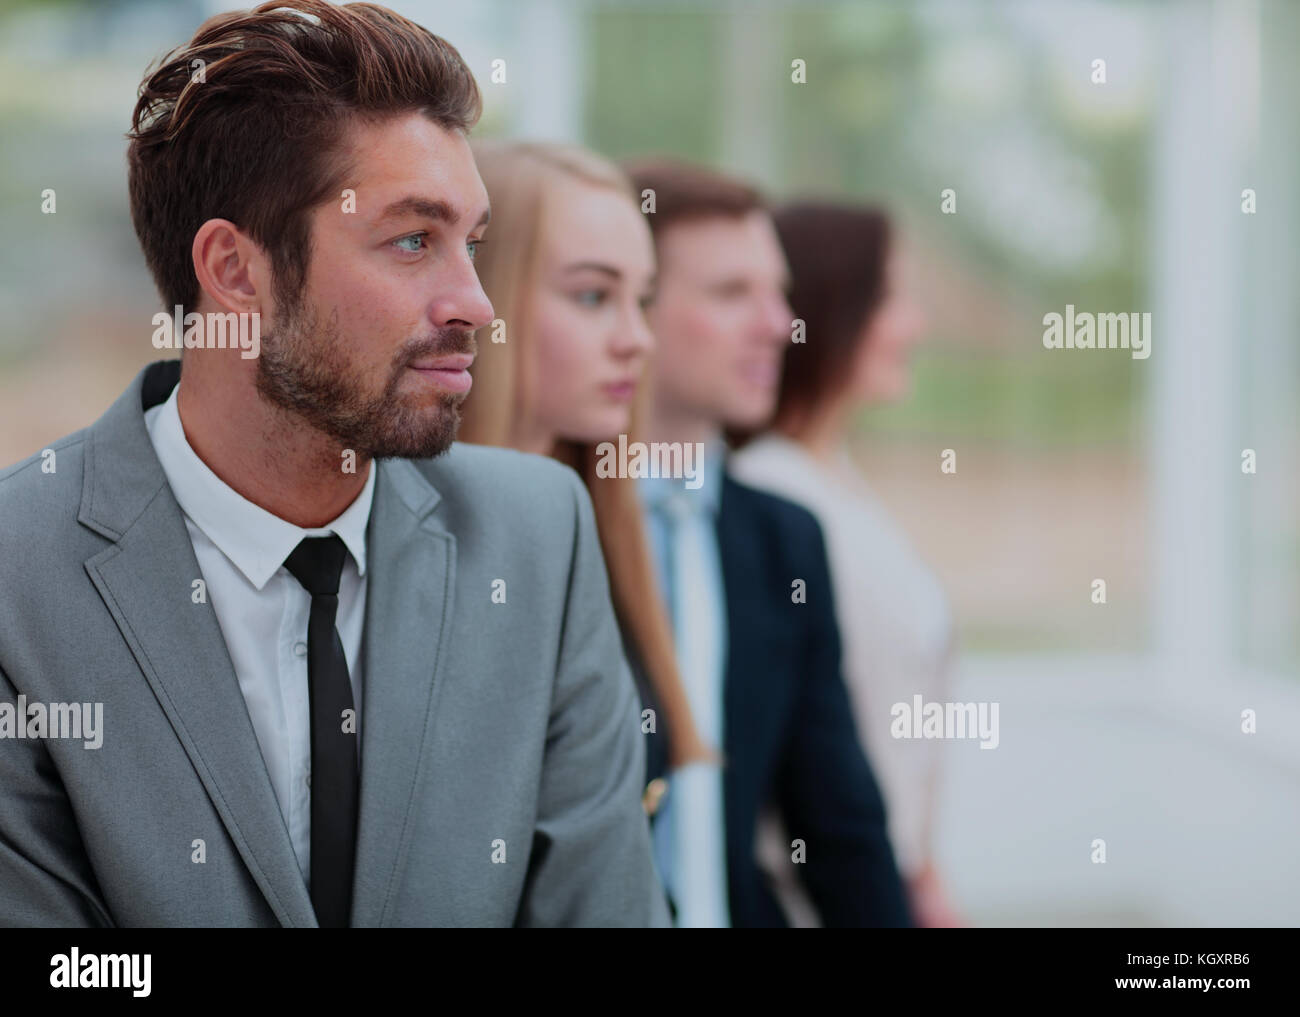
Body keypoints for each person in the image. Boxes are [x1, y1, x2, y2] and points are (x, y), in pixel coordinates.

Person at [0, 0, 666, 928]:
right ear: (235, 271)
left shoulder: (536, 536)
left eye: (471, 244)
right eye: (412, 240)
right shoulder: (16, 577)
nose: (474, 301)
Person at [621, 157, 912, 927]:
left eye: (778, 292)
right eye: (731, 293)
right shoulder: (548, 526)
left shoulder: (786, 538)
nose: (779, 323)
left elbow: (843, 825)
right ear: (631, 306)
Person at [458, 140, 716, 806]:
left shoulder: (606, 533)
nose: (638, 338)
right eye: (595, 295)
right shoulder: (403, 551)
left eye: (645, 299)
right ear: (488, 299)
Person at [730, 202, 963, 927]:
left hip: (881, 880)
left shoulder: (838, 480)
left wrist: (921, 876)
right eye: (891, 296)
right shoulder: (773, 498)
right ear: (834, 303)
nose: (913, 325)